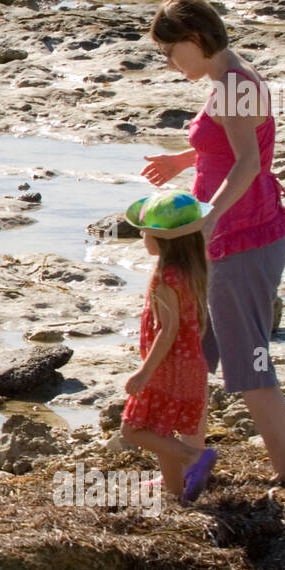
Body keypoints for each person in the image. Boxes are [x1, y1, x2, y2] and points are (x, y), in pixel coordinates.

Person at [140, 0, 285, 484]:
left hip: (244, 239)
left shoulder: (235, 84)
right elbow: (231, 144)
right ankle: (192, 467)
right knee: (192, 355)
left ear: (194, 37)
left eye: (171, 52)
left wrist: (208, 216)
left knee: (250, 362)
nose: (169, 63)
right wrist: (182, 162)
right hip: (224, 237)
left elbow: (251, 163)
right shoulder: (229, 77)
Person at [120, 192, 216, 503]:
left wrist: (144, 373)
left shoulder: (164, 278)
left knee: (132, 431)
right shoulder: (193, 270)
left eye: (145, 232)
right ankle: (178, 497)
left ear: (162, 239)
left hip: (167, 366)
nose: (142, 237)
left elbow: (168, 329)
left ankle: (192, 457)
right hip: (191, 363)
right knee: (161, 433)